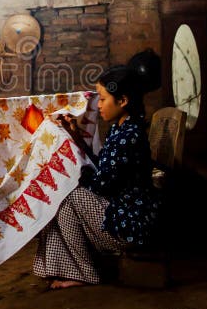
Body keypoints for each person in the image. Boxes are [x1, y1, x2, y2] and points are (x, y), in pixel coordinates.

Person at [34, 49, 162, 289]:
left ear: (122, 101)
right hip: (122, 213)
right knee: (64, 192)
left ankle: (83, 272)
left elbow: (102, 183)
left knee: (65, 193)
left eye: (103, 99)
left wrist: (78, 173)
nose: (99, 105)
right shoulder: (120, 128)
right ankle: (76, 270)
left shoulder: (129, 136)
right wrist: (75, 136)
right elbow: (103, 166)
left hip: (130, 225)